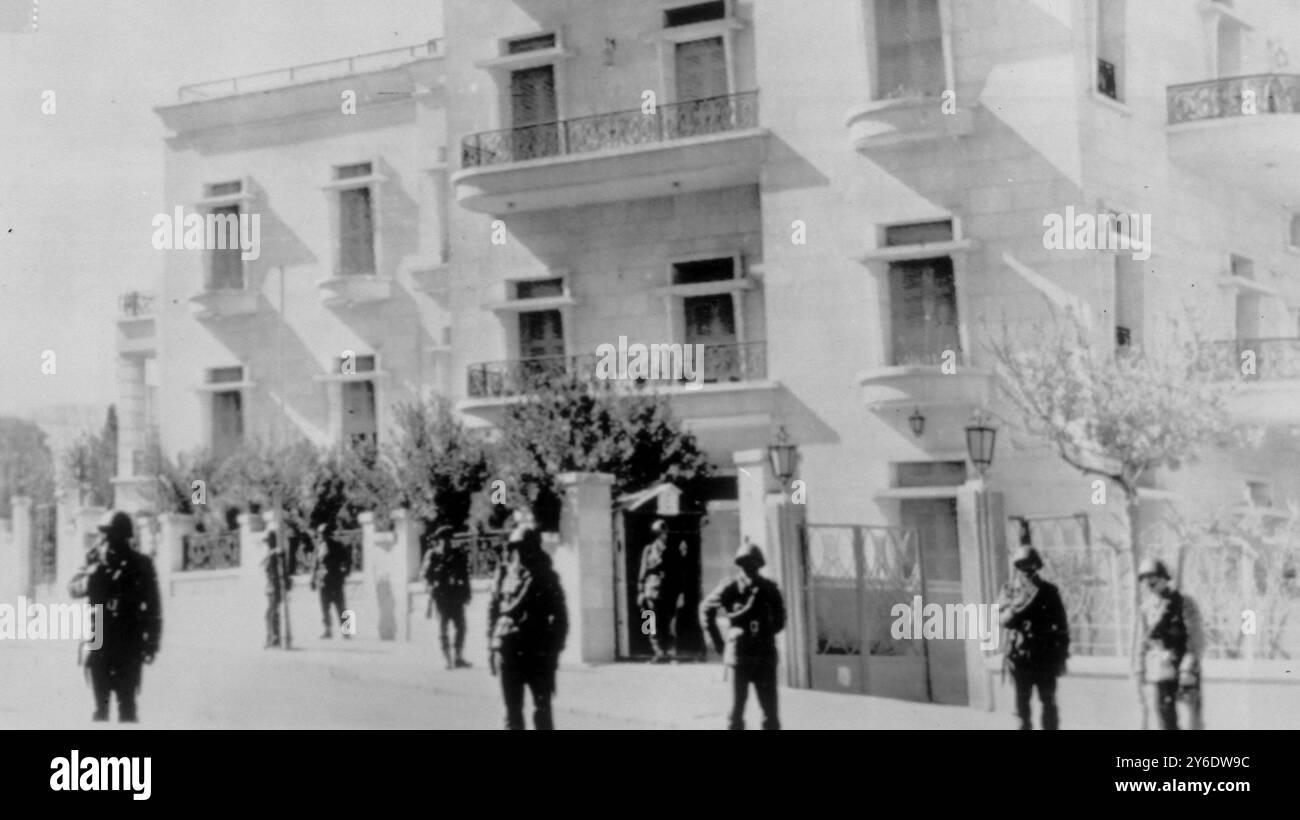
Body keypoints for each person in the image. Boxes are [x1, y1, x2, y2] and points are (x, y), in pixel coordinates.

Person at [67, 511, 162, 723]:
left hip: (129, 642)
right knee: (100, 707)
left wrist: (152, 643)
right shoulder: (93, 560)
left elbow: (154, 609)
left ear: (124, 537)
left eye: (112, 536)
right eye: (105, 535)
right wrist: (89, 580)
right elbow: (72, 588)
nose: (108, 541)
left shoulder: (141, 564)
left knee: (127, 706)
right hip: (98, 638)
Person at [487, 525, 568, 730]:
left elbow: (561, 617)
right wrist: (491, 646)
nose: (522, 552)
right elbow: (493, 610)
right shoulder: (505, 572)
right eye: (517, 547)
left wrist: (554, 652)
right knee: (512, 711)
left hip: (538, 652)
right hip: (509, 651)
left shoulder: (547, 576)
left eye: (526, 547)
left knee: (542, 711)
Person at [700, 541, 786, 730]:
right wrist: (719, 644)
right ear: (740, 565)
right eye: (746, 564)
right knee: (736, 710)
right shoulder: (730, 587)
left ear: (759, 565)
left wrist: (766, 631)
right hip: (740, 654)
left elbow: (781, 618)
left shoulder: (769, 588)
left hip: (764, 655)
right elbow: (706, 609)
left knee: (770, 712)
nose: (750, 569)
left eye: (754, 564)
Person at [997, 545, 1070, 730]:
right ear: (1017, 568)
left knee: (1049, 704)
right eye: (1022, 566)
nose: (1027, 570)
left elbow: (1062, 627)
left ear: (1037, 566)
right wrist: (1017, 606)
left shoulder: (1049, 591)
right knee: (1022, 708)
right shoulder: (1010, 591)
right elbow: (1003, 619)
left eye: (1031, 565)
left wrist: (1061, 657)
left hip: (1045, 657)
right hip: (1020, 657)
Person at [1136, 558, 1204, 730]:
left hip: (1184, 669)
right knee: (1165, 719)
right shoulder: (1146, 608)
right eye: (1144, 579)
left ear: (1164, 578)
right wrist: (1139, 670)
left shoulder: (1183, 603)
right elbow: (1141, 643)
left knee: (1190, 719)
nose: (1149, 582)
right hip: (1160, 671)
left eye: (1153, 577)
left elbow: (1195, 638)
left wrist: (1188, 667)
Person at [420, 524, 472, 669]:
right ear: (439, 540)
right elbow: (424, 576)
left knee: (461, 627)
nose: (447, 542)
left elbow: (465, 575)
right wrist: (430, 587)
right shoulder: (433, 555)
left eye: (449, 539)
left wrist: (467, 593)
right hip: (441, 597)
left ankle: (458, 656)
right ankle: (447, 658)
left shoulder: (458, 555)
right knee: (443, 629)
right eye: (444, 539)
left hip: (456, 597)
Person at [637, 518, 686, 662]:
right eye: (659, 533)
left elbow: (679, 572)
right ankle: (657, 651)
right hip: (651, 590)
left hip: (669, 590)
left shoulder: (673, 550)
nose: (663, 535)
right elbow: (643, 571)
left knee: (670, 623)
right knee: (649, 621)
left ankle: (670, 652)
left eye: (664, 532)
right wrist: (640, 591)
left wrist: (681, 593)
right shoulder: (648, 549)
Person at [312, 522, 352, 639]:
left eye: (323, 534)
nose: (321, 536)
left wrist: (345, 572)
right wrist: (313, 579)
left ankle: (347, 631)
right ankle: (327, 630)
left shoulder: (338, 546)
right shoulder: (319, 547)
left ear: (329, 534)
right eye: (320, 534)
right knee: (324, 607)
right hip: (323, 581)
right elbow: (315, 563)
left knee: (341, 606)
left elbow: (347, 560)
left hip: (335, 579)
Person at [261, 529, 290, 648]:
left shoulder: (276, 554)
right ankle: (275, 637)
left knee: (270, 614)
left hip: (274, 588)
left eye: (269, 541)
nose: (268, 544)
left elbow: (280, 572)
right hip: (271, 588)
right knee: (273, 614)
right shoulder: (271, 554)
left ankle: (273, 638)